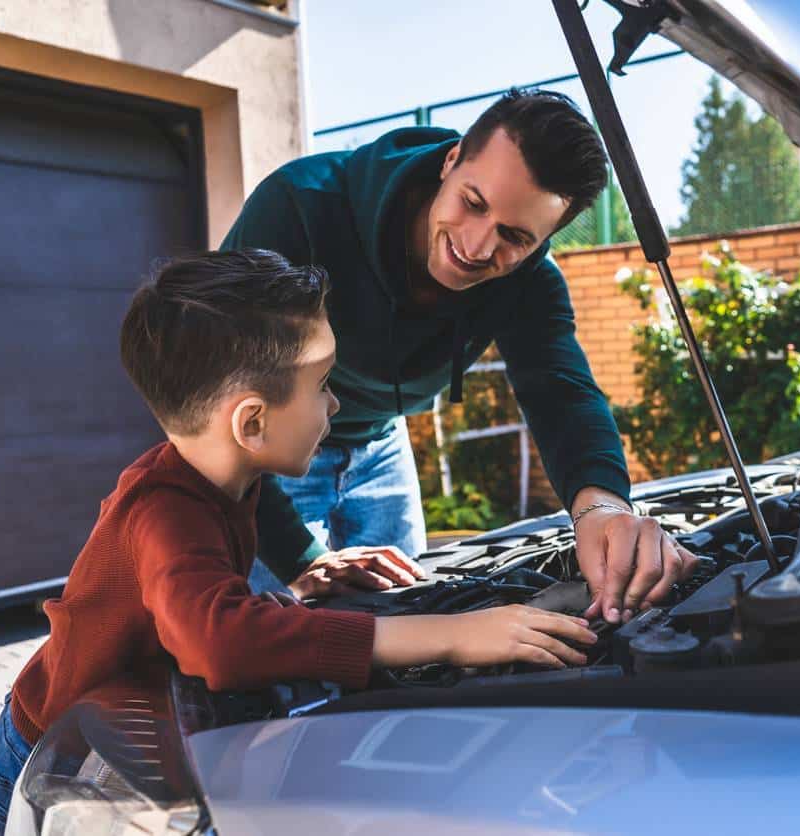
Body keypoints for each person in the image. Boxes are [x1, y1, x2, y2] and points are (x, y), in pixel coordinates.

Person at [0, 251, 595, 834]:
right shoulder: (165, 510)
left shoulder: (215, 478)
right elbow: (217, 644)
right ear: (252, 422)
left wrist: (291, 594)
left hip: (113, 730)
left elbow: (184, 610)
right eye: (323, 382)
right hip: (48, 759)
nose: (336, 401)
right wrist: (457, 635)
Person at [224, 88, 696, 624]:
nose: (475, 248)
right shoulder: (297, 208)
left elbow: (561, 390)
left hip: (381, 441)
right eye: (473, 203)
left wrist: (602, 509)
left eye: (514, 237)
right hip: (270, 457)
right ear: (451, 161)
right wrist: (299, 558)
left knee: (414, 632)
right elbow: (217, 391)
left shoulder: (531, 283)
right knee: (283, 657)